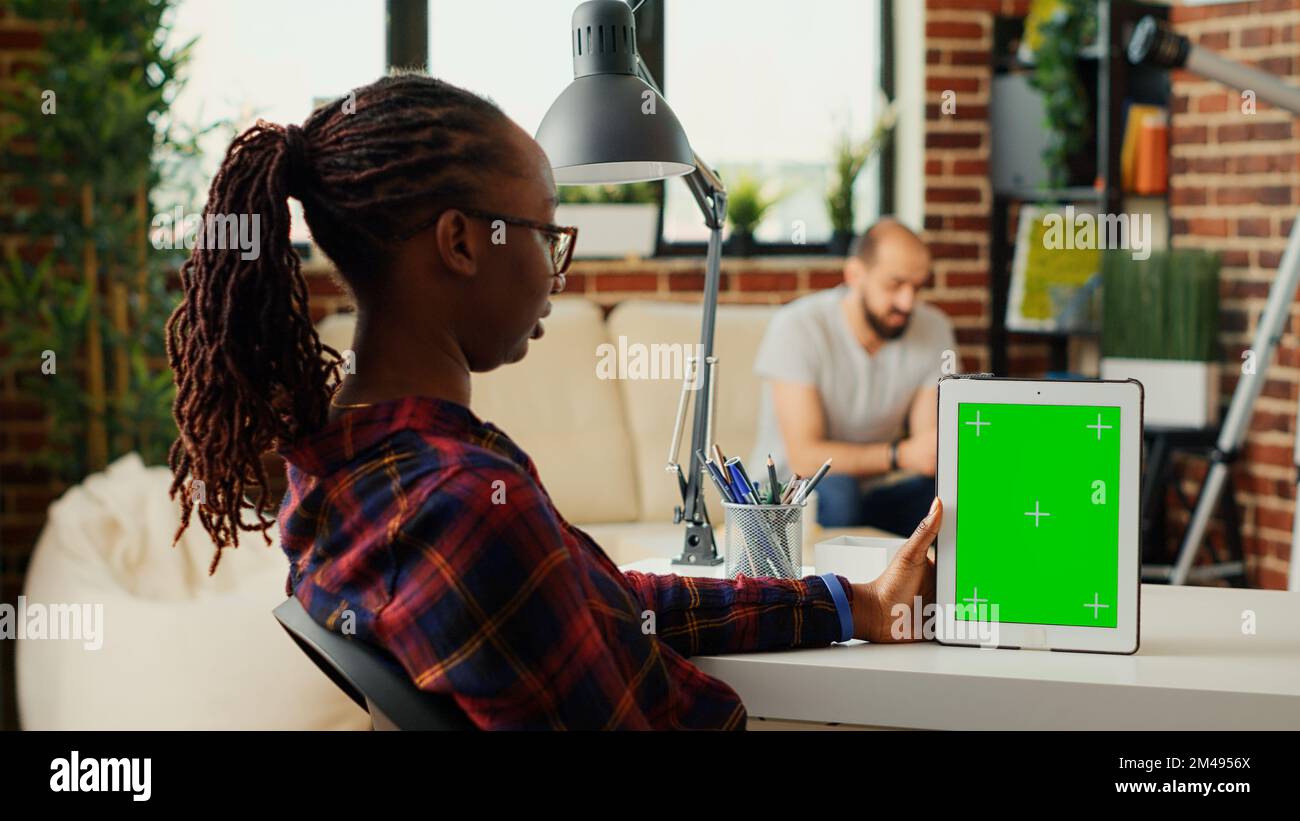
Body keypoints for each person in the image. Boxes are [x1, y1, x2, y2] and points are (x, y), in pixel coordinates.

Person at [166, 74, 942, 730]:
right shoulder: (464, 508)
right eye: (546, 232)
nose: (557, 270)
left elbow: (606, 601)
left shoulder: (346, 463)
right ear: (461, 243)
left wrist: (855, 604)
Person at [750, 219, 957, 535]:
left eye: (917, 287)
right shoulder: (798, 327)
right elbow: (806, 457)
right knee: (841, 493)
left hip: (877, 491)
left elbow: (928, 448)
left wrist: (924, 455)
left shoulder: (933, 328)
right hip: (794, 492)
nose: (907, 302)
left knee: (948, 500)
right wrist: (900, 454)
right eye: (895, 284)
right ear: (855, 274)